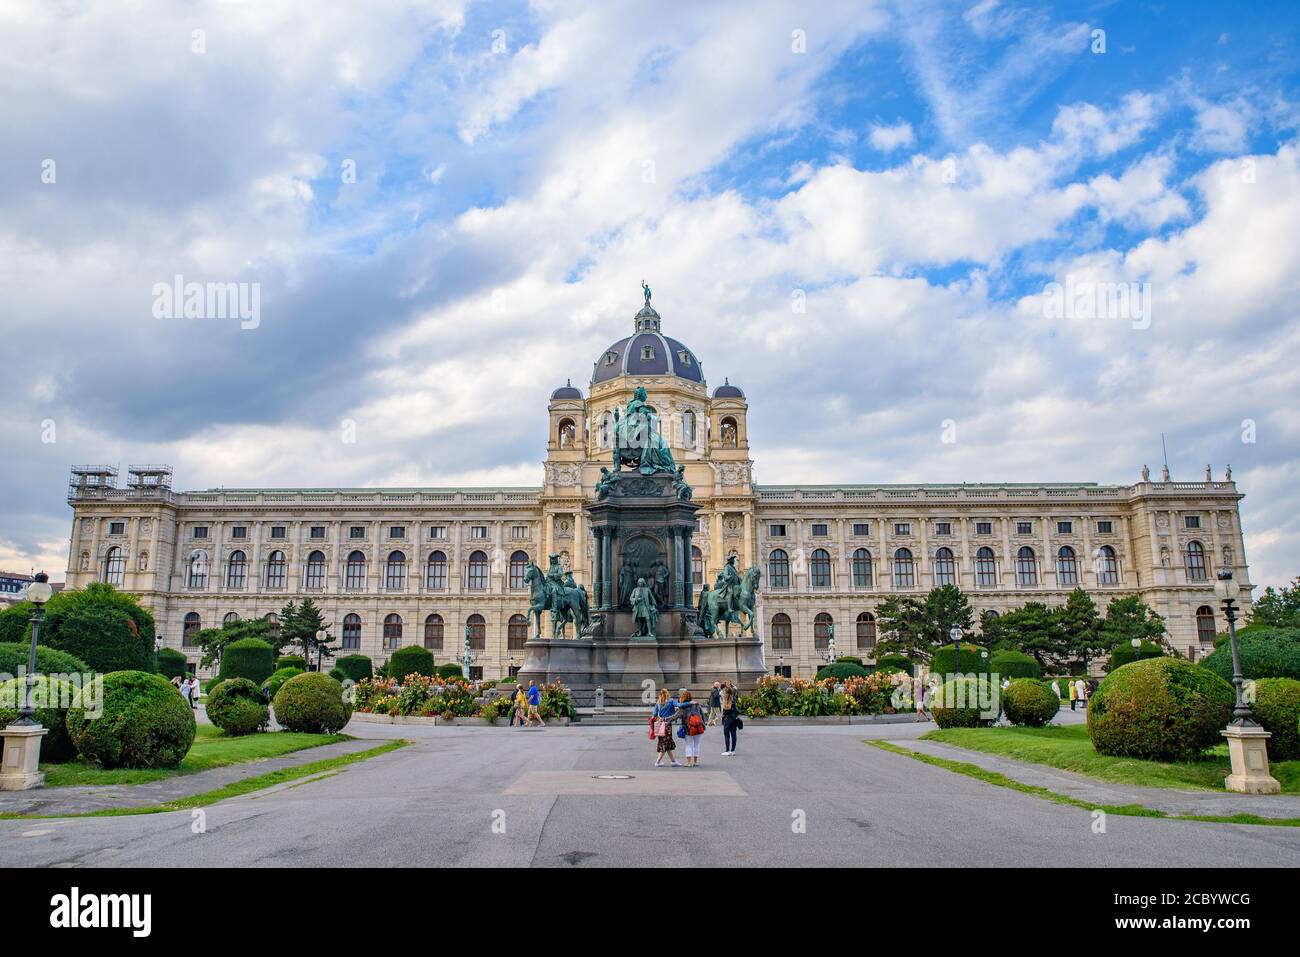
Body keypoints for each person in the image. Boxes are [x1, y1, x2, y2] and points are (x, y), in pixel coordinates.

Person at [670, 689, 706, 767]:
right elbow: (702, 715)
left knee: (689, 745)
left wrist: (665, 720)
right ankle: (695, 762)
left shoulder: (683, 707)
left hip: (688, 728)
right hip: (699, 727)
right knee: (697, 744)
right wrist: (703, 725)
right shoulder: (696, 704)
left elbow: (675, 717)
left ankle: (689, 763)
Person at [652, 689, 682, 767]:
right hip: (667, 725)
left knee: (665, 743)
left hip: (660, 725)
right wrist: (688, 703)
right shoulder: (671, 701)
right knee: (665, 743)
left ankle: (673, 761)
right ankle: (657, 762)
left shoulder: (658, 703)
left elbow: (655, 714)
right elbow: (679, 705)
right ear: (667, 694)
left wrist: (660, 718)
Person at [720, 680, 740, 755]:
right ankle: (733, 750)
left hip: (727, 719)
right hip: (734, 718)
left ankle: (727, 750)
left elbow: (725, 712)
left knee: (726, 734)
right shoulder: (733, 700)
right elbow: (737, 711)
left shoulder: (726, 702)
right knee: (733, 734)